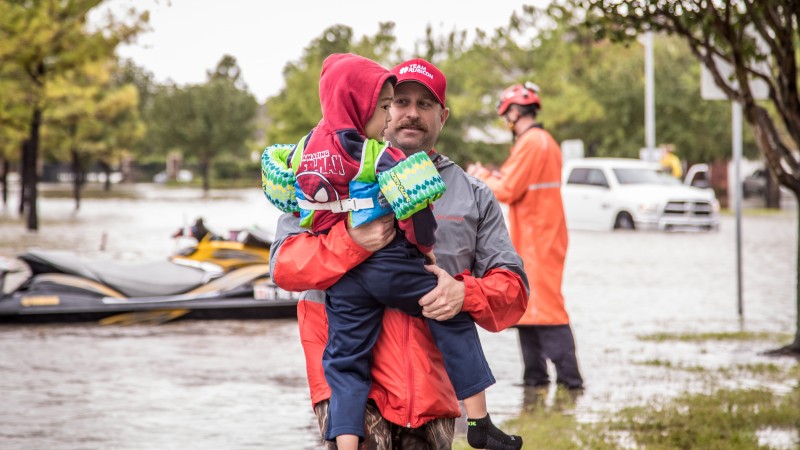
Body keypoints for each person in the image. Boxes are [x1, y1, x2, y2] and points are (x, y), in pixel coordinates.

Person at [262, 53, 522, 450]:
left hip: (433, 399)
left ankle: (479, 422)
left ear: (443, 116)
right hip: (351, 396)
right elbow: (283, 268)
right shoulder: (325, 175)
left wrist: (464, 294)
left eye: (425, 103)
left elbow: (515, 294)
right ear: (378, 107)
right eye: (399, 102)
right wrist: (351, 242)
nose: (411, 113)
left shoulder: (475, 195)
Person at [467, 81, 584, 391]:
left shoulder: (532, 142)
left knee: (547, 307)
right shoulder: (539, 142)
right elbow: (512, 180)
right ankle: (535, 379)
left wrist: (479, 175)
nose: (507, 121)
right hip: (537, 237)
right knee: (527, 305)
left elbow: (506, 189)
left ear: (516, 112)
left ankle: (571, 382)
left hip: (538, 240)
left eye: (507, 114)